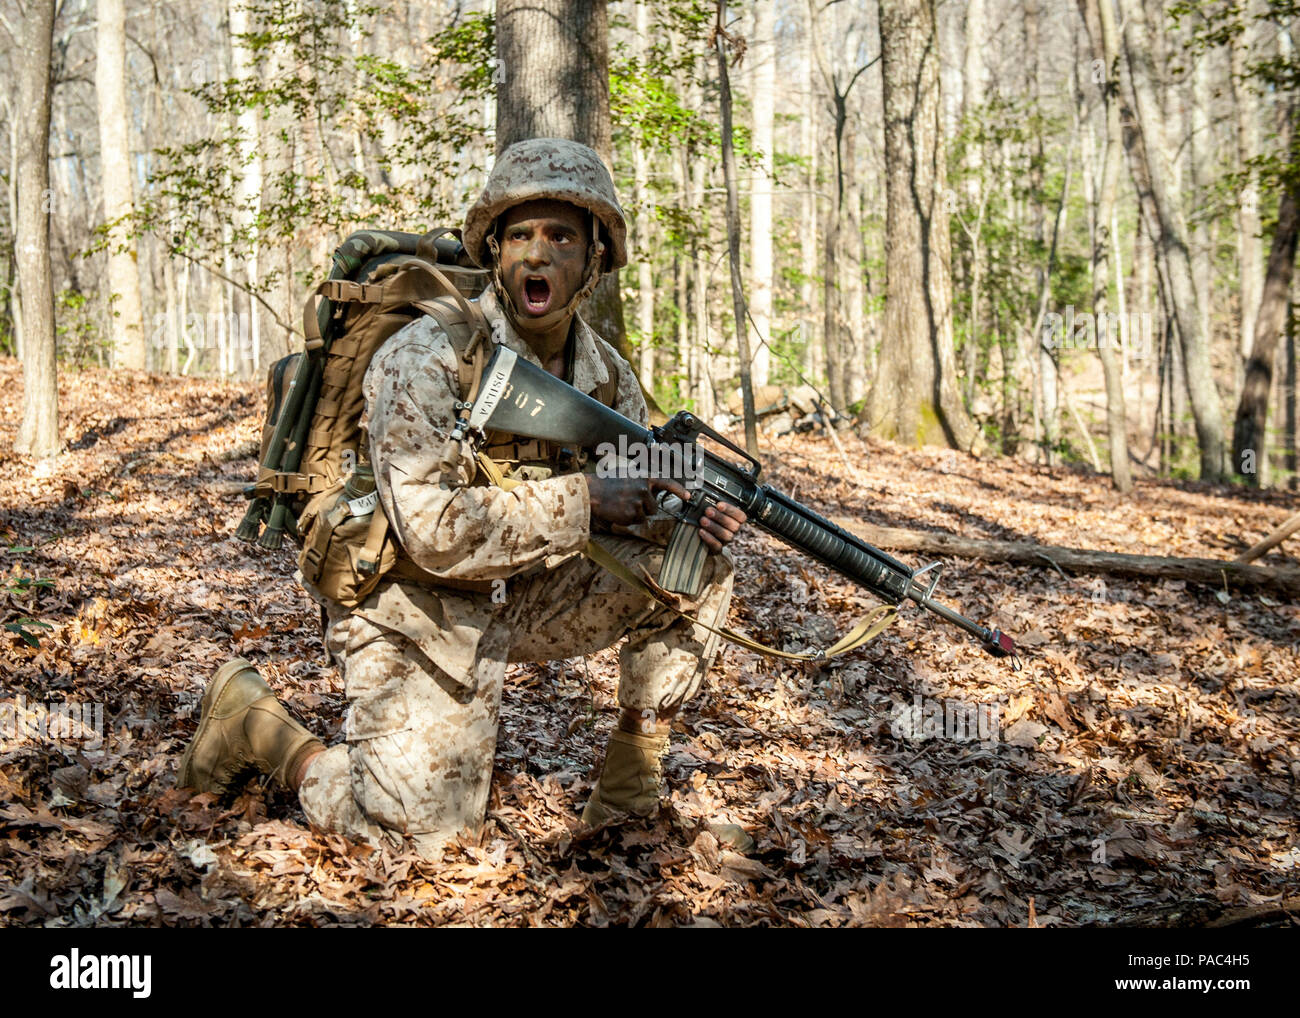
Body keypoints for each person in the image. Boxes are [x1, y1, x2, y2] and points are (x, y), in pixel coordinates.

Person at [178, 138, 752, 856]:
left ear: (596, 259)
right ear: (494, 251)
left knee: (692, 562)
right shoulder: (427, 354)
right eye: (519, 236)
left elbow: (631, 496)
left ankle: (628, 796)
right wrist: (587, 501)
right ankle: (262, 730)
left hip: (520, 590)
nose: (536, 256)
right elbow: (430, 529)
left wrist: (682, 511)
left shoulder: (604, 372)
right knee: (426, 843)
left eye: (561, 238)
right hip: (408, 603)